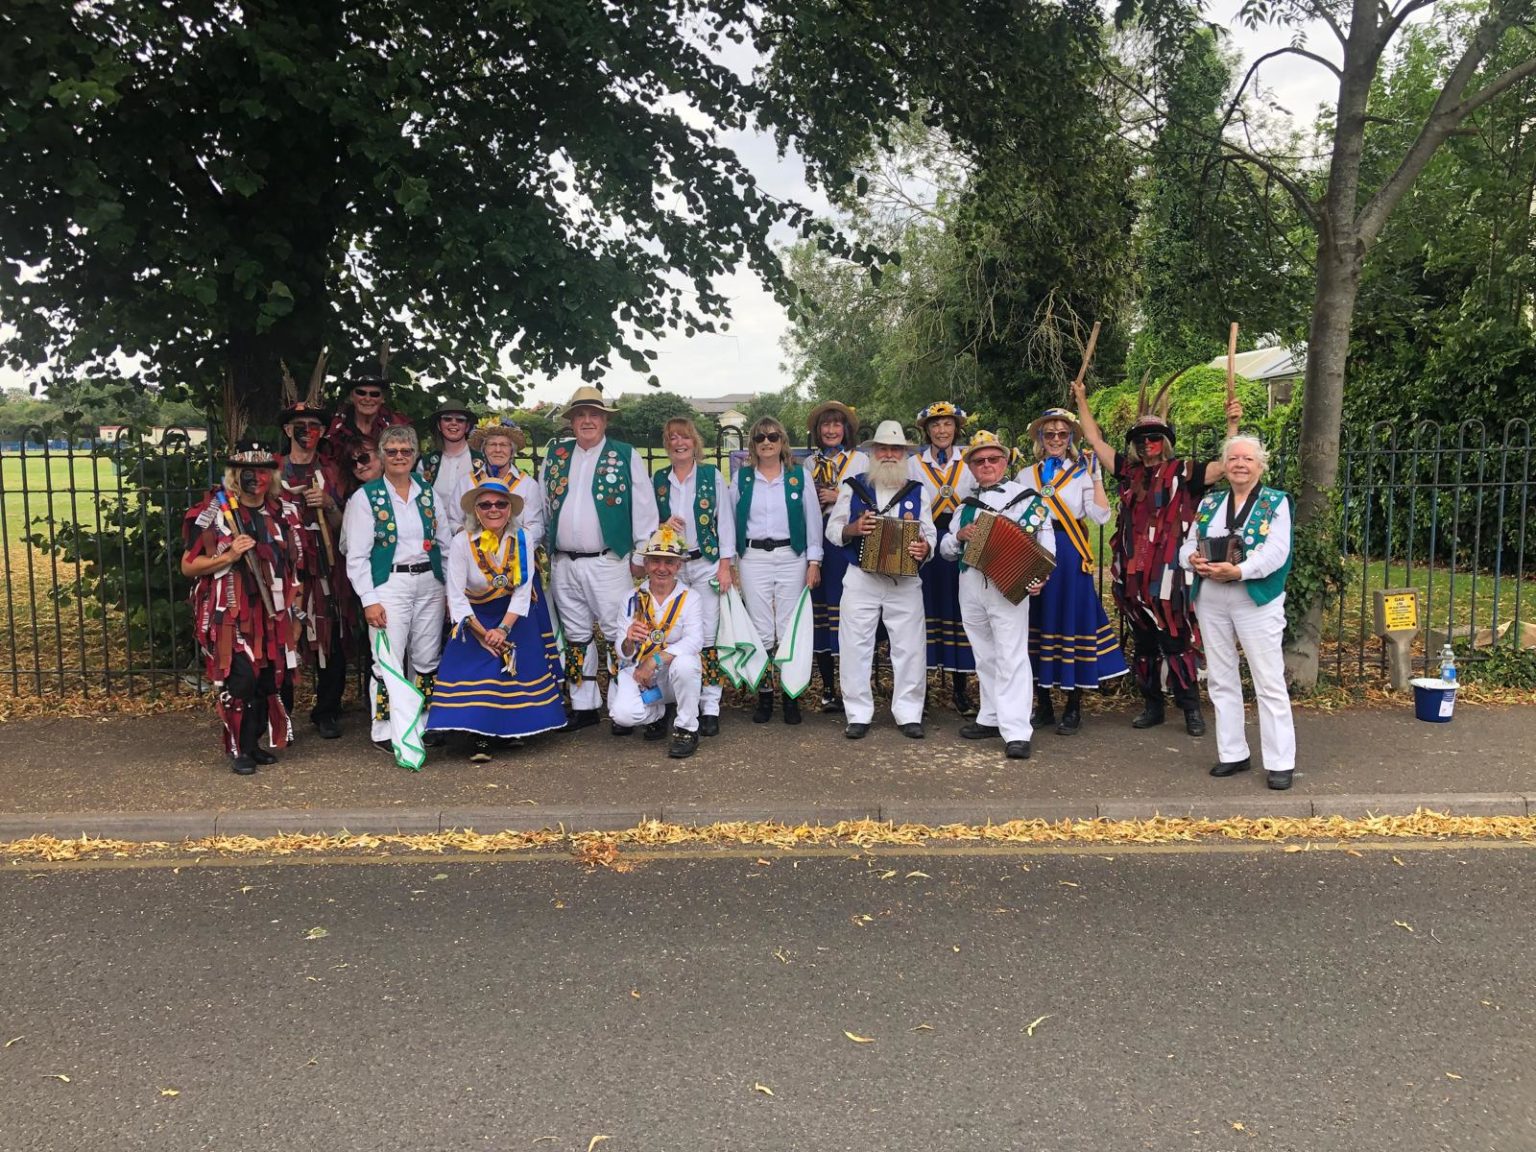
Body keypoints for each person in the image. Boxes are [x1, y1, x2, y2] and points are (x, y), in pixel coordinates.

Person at [1073, 375, 1240, 736]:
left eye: (1154, 439)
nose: (1147, 445)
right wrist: (1082, 399)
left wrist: (1233, 425)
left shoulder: (1186, 472)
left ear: (1165, 443)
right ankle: (1153, 706)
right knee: (1145, 644)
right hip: (1133, 578)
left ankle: (1191, 709)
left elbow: (1225, 465)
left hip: (1170, 579)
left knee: (1176, 642)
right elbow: (1093, 439)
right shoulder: (1126, 472)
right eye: (1141, 440)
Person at [538, 385, 660, 730]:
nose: (587, 421)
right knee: (577, 635)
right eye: (580, 415)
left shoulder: (624, 455)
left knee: (618, 633)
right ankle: (584, 704)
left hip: (609, 560)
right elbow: (544, 507)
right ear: (571, 421)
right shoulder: (556, 456)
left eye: (594, 415)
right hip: (564, 561)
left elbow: (645, 508)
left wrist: (640, 551)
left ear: (605, 420)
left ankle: (627, 703)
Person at [180, 440, 304, 775]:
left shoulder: (284, 513)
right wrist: (229, 556)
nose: (257, 478)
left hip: (274, 612)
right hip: (231, 612)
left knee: (268, 680)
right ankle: (237, 748)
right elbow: (189, 566)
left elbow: (296, 570)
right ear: (235, 474)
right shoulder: (214, 514)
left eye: (264, 471)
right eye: (248, 472)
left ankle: (253, 743)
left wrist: (298, 615)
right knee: (242, 677)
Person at [1181, 435, 1296, 790]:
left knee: (1268, 679)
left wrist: (1240, 571)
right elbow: (1186, 544)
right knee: (1220, 676)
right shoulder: (1210, 503)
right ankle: (1232, 752)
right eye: (1233, 459)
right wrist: (1192, 560)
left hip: (1254, 598)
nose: (1240, 464)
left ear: (1260, 465)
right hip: (1212, 597)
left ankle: (1280, 761)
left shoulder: (1275, 503)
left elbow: (1277, 551)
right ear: (1225, 465)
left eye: (1247, 458)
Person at [425, 479, 567, 760]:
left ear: (510, 510)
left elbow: (524, 590)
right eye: (485, 505)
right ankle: (480, 737)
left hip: (512, 616)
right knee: (479, 668)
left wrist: (502, 630)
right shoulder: (461, 542)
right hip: (474, 617)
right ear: (475, 511)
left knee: (511, 669)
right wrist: (481, 633)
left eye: (501, 504)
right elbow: (456, 595)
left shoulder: (522, 539)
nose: (494, 510)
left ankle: (509, 730)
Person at [939, 431, 1056, 759]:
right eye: (979, 461)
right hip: (971, 585)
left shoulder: (1027, 499)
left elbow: (1046, 545)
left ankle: (1017, 730)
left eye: (993, 459)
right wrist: (959, 536)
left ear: (1005, 462)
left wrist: (1038, 578)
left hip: (1008, 585)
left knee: (1011, 655)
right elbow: (946, 550)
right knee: (984, 654)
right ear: (972, 468)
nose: (987, 465)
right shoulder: (965, 505)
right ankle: (990, 716)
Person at [826, 420, 936, 739]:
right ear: (873, 453)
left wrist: (924, 548)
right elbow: (834, 531)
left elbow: (929, 534)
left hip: (905, 583)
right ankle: (858, 713)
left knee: (910, 647)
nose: (889, 454)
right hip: (861, 578)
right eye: (884, 449)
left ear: (903, 454)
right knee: (854, 645)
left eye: (895, 449)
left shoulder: (917, 491)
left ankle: (908, 713)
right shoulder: (853, 486)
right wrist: (853, 529)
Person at [342, 424, 450, 751]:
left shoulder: (428, 494)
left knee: (427, 658)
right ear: (381, 456)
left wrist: (447, 589)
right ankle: (385, 728)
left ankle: (423, 721)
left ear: (415, 455)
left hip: (429, 583)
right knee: (387, 658)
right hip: (389, 584)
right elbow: (357, 556)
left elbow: (444, 545)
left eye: (406, 451)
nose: (399, 457)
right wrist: (369, 600)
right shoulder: (365, 498)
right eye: (392, 452)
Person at [1021, 407, 1128, 735]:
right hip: (1034, 548)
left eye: (1062, 434)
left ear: (1070, 439)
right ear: (1041, 438)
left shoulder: (1081, 473)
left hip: (1068, 554)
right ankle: (1043, 704)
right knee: (1035, 621)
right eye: (1049, 434)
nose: (1055, 439)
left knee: (1069, 621)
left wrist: (1095, 477)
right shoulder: (1026, 475)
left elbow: (1099, 516)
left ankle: (1072, 705)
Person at [730, 415, 823, 724]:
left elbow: (813, 519)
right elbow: (730, 522)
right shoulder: (742, 479)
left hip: (790, 556)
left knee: (787, 627)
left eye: (772, 436)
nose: (766, 442)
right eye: (760, 438)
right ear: (753, 445)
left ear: (782, 441)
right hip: (753, 556)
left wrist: (814, 561)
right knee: (759, 627)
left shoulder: (798, 476)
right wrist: (730, 563)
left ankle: (790, 696)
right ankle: (765, 695)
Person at [652, 416, 736, 736]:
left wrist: (725, 565)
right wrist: (663, 525)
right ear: (667, 444)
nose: (679, 443)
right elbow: (649, 524)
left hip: (705, 563)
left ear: (694, 442)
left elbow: (724, 521)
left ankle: (710, 705)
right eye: (672, 438)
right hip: (672, 566)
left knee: (707, 636)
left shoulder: (710, 476)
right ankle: (673, 702)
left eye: (684, 437)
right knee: (671, 632)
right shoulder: (659, 479)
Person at [274, 400, 353, 740]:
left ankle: (327, 711)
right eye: (300, 425)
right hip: (287, 566)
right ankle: (282, 713)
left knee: (330, 636)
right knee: (285, 637)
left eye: (314, 425)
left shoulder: (333, 472)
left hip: (326, 565)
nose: (307, 431)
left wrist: (330, 505)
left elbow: (347, 525)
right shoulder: (272, 470)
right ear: (287, 430)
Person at [607, 525, 706, 759]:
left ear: (678, 566)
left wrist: (655, 660)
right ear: (646, 564)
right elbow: (623, 652)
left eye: (669, 562)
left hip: (672, 674)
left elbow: (695, 641)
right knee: (621, 715)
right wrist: (628, 640)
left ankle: (686, 728)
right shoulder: (631, 598)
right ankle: (661, 713)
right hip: (641, 674)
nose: (662, 568)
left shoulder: (691, 598)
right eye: (655, 561)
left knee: (686, 664)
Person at [910, 402, 976, 715]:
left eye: (947, 424)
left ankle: (960, 690)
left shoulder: (970, 461)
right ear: (926, 430)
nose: (941, 431)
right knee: (923, 614)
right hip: (925, 544)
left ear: (956, 428)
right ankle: (920, 691)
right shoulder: (913, 464)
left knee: (960, 614)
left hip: (959, 544)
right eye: (935, 425)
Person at [805, 400, 867, 710]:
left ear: (846, 430)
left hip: (849, 542)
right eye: (825, 425)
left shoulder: (860, 461)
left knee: (853, 613)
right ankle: (829, 688)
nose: (831, 430)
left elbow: (871, 499)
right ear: (818, 431)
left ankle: (855, 686)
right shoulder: (808, 464)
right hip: (819, 543)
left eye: (836, 424)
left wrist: (838, 494)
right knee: (823, 614)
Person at [417, 399, 485, 541]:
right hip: (434, 539)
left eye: (460, 420)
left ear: (467, 427)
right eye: (447, 419)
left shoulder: (481, 462)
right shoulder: (426, 464)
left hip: (473, 538)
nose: (453, 423)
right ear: (439, 425)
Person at [323, 375, 410, 481]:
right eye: (361, 393)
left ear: (382, 398)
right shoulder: (334, 429)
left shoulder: (398, 427)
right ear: (351, 396)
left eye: (374, 394)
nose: (368, 399)